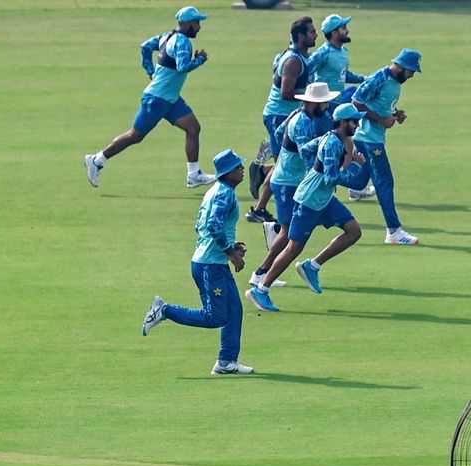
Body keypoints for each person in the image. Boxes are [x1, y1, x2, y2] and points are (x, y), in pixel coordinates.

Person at [142, 149, 255, 375]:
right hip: (209, 266)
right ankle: (165, 311)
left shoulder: (215, 191)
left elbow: (201, 227)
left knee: (235, 309)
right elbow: (212, 225)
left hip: (213, 262)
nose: (243, 169)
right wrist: (230, 253)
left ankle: (226, 362)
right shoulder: (225, 194)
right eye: (238, 167)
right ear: (228, 173)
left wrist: (230, 246)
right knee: (215, 317)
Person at [86, 7, 217, 190]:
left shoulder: (166, 37)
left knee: (193, 128)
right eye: (196, 23)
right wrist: (200, 60)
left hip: (170, 99)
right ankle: (97, 160)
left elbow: (145, 47)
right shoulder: (182, 42)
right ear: (188, 23)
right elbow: (182, 67)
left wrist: (150, 71)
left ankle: (194, 175)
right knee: (135, 136)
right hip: (157, 99)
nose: (199, 27)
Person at [259, 105, 370, 296]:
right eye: (354, 121)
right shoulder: (333, 144)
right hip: (310, 200)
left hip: (322, 198)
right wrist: (354, 168)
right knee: (293, 248)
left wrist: (315, 168)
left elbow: (307, 150)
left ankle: (312, 266)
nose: (358, 125)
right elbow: (330, 178)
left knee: (353, 231)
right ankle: (261, 288)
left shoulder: (329, 138)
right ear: (343, 122)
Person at [247, 83, 338, 310]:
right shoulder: (303, 123)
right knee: (289, 235)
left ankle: (262, 273)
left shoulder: (299, 115)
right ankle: (261, 275)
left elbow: (279, 134)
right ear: (315, 104)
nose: (327, 106)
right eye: (324, 102)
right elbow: (308, 159)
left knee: (288, 233)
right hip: (289, 183)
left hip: (288, 179)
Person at [351, 49, 423, 245]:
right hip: (369, 139)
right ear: (400, 67)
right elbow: (356, 102)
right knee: (384, 181)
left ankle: (324, 174)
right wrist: (381, 120)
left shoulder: (394, 82)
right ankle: (394, 231)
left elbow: (381, 104)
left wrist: (395, 114)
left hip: (373, 138)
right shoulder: (379, 79)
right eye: (411, 71)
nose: (412, 75)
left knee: (358, 181)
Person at [251, 16, 317, 205]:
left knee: (287, 161)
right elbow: (286, 93)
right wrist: (311, 95)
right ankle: (258, 209)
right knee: (284, 165)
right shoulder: (293, 61)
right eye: (312, 32)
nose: (316, 35)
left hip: (287, 115)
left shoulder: (302, 56)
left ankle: (262, 171)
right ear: (301, 36)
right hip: (278, 115)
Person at [310, 14, 365, 105]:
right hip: (326, 103)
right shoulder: (323, 53)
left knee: (356, 92)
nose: (347, 31)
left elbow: (342, 74)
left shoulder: (344, 51)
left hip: (339, 100)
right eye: (343, 28)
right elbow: (306, 73)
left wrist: (364, 79)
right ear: (334, 33)